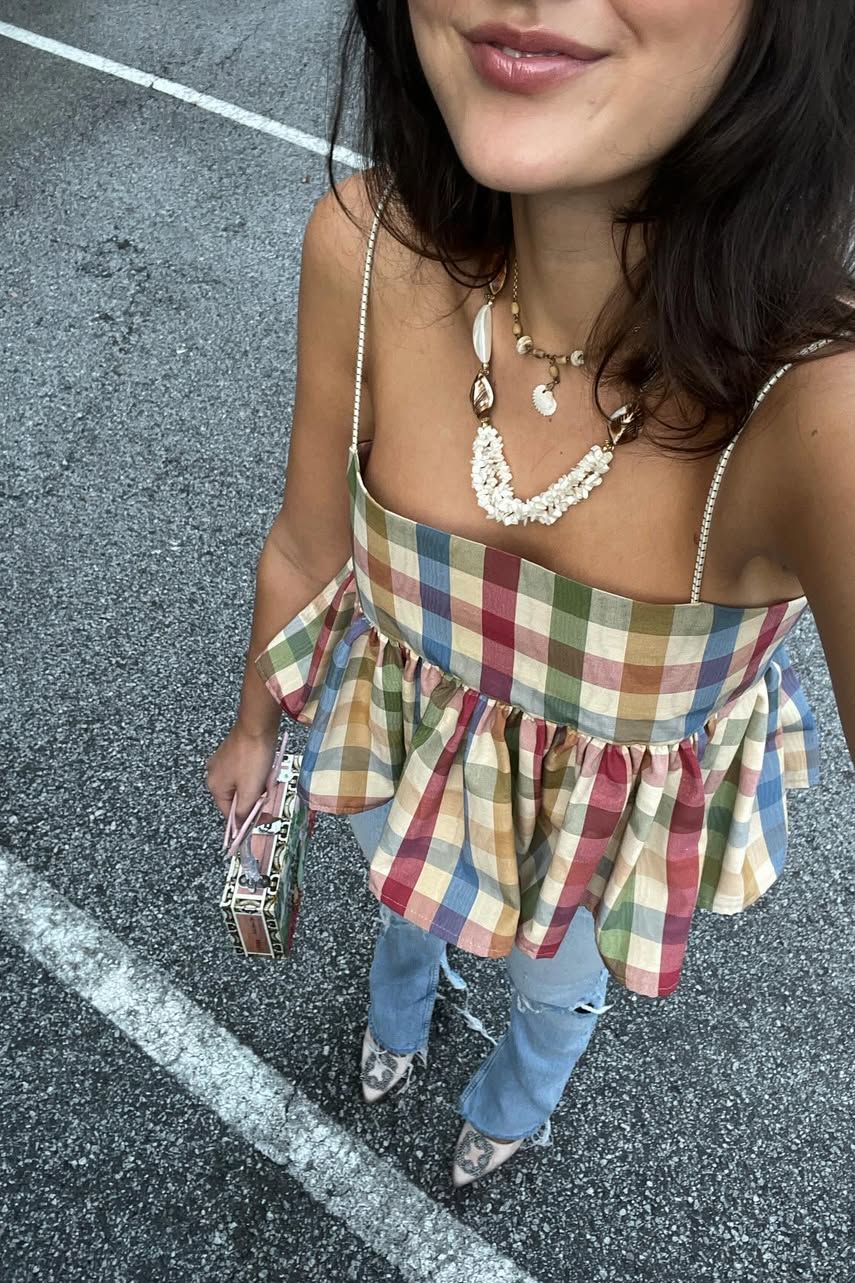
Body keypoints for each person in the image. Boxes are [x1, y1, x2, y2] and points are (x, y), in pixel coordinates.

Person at [207, 1, 855, 1188]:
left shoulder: (813, 411)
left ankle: (515, 1099)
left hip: (587, 853)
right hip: (396, 765)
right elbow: (307, 551)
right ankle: (397, 1016)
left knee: (557, 989)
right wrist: (252, 726)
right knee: (400, 901)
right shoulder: (363, 252)